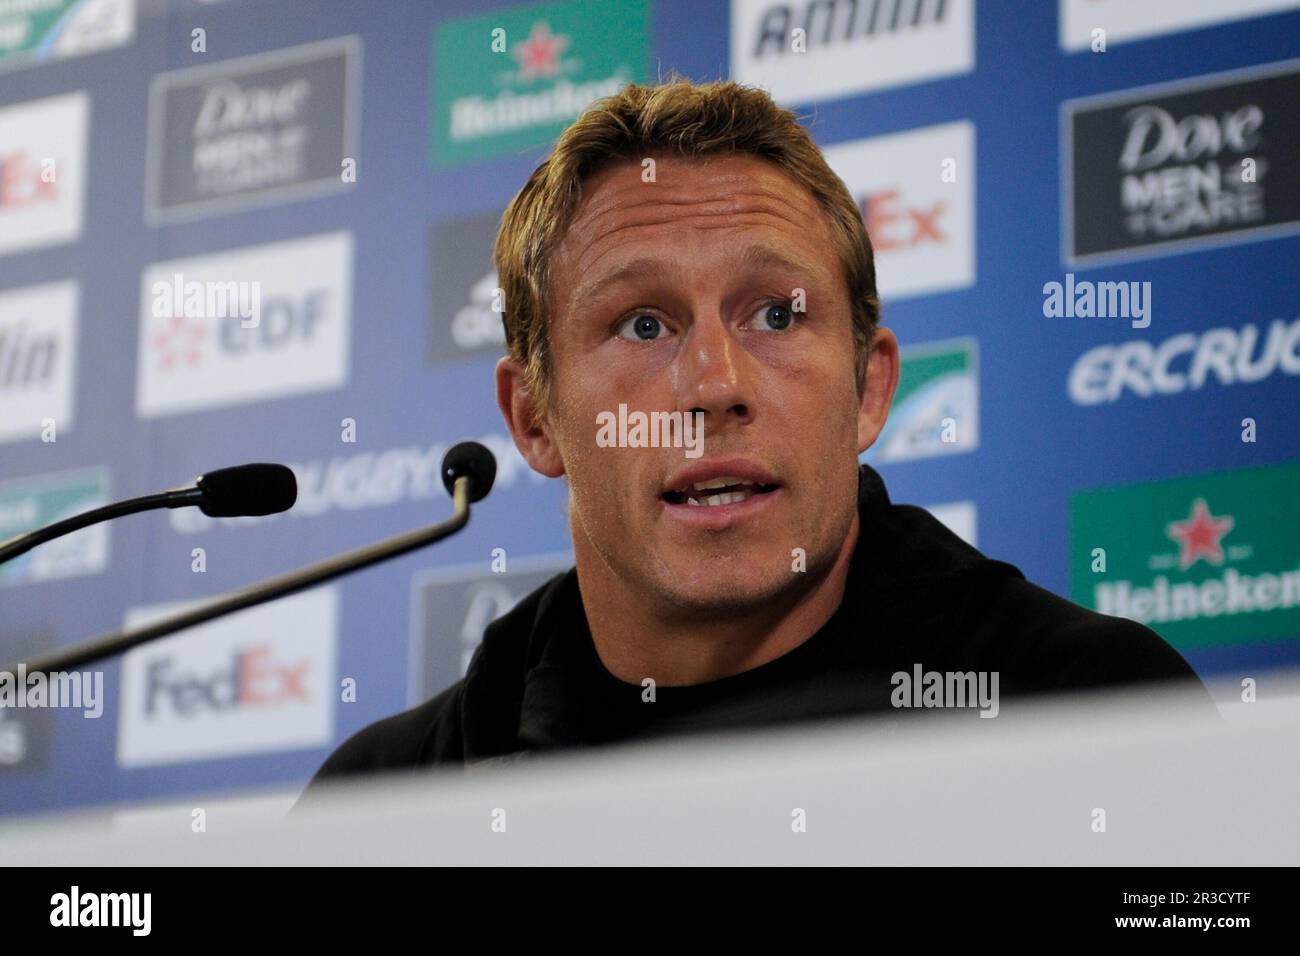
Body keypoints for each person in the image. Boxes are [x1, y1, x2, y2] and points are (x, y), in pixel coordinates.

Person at [298, 78, 1208, 800]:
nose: (717, 386)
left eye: (776, 313)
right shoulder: (389, 800)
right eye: (643, 325)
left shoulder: (1092, 712)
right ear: (535, 418)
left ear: (868, 388)